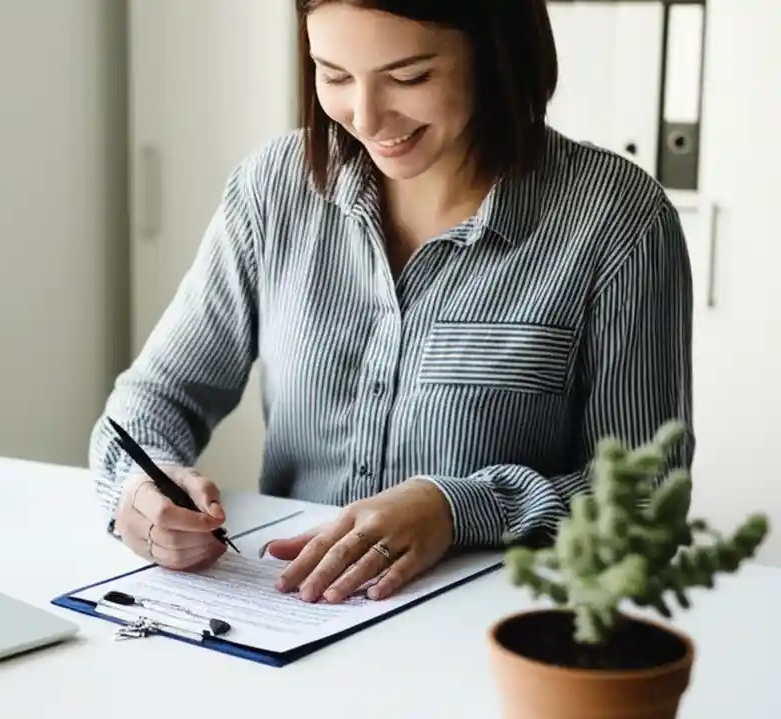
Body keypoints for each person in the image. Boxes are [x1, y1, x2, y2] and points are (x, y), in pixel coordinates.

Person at [88, 0, 693, 605]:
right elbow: (153, 402)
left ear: (496, 53)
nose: (367, 116)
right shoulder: (272, 190)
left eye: (410, 77)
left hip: (497, 635)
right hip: (289, 620)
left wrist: (458, 509)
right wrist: (140, 489)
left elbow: (647, 496)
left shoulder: (620, 222)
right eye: (334, 74)